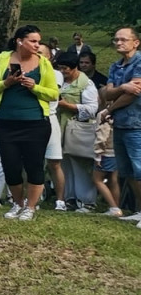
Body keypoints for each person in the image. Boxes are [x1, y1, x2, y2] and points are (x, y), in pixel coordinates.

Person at [0, 25, 60, 221]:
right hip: (6, 122)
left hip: (35, 122)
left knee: (34, 165)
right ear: (19, 41)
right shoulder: (1, 59)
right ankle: (17, 204)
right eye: (33, 41)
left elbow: (53, 93)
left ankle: (31, 207)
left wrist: (35, 87)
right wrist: (6, 83)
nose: (37, 45)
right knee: (10, 165)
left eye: (38, 41)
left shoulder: (43, 63)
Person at [98, 26, 141, 222]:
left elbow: (133, 95)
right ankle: (139, 211)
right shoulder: (115, 66)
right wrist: (123, 87)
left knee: (139, 169)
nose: (118, 43)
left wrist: (109, 109)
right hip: (121, 124)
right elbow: (108, 92)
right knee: (128, 171)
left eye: (123, 39)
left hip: (137, 123)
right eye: (116, 39)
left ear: (136, 42)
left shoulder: (140, 62)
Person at [54, 52, 100, 211]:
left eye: (65, 68)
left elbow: (92, 109)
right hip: (59, 128)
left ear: (74, 68)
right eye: (59, 68)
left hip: (78, 130)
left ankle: (87, 200)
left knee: (80, 165)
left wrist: (68, 106)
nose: (62, 71)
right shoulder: (59, 80)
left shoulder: (86, 84)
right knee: (63, 163)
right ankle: (69, 197)